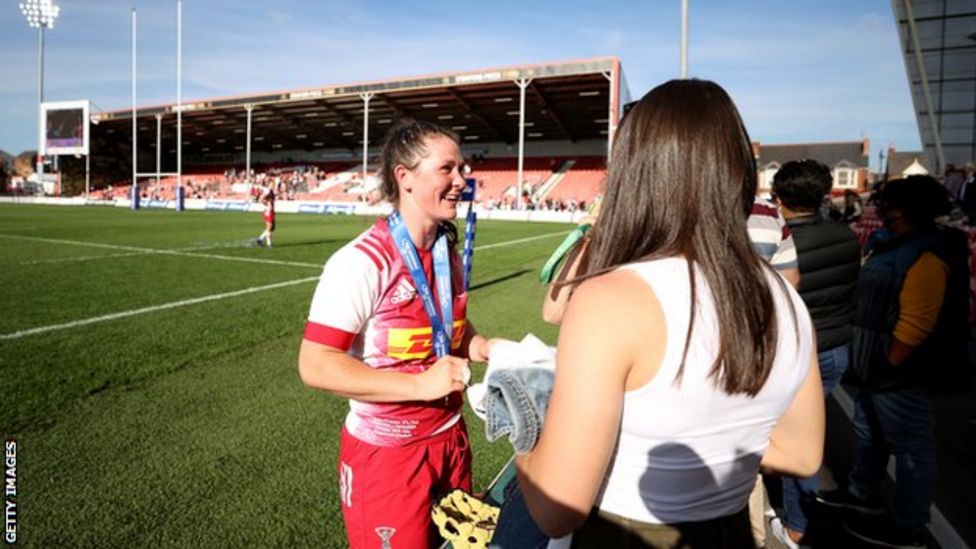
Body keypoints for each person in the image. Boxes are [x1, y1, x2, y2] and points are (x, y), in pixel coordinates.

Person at [494, 79, 825, 547]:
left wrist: (521, 419)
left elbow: (556, 509)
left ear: (634, 170)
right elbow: (802, 454)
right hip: (728, 531)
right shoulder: (784, 296)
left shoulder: (611, 299)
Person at [298, 119, 500, 548]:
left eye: (462, 169)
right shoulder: (362, 262)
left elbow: (447, 328)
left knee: (460, 546)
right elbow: (315, 365)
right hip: (390, 459)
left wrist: (481, 345)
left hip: (450, 442)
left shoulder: (447, 251)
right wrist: (418, 385)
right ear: (404, 178)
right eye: (447, 169)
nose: (461, 180)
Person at [818, 175, 970, 549]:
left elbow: (917, 321)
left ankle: (907, 524)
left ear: (901, 209)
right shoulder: (896, 244)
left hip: (896, 371)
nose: (878, 208)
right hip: (876, 368)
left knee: (910, 447)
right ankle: (862, 495)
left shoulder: (927, 253)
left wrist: (889, 364)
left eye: (886, 203)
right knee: (871, 433)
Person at [766, 160, 861, 548]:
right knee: (808, 433)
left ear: (780, 197)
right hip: (835, 348)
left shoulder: (780, 241)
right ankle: (802, 511)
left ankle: (796, 526)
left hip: (795, 354)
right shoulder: (846, 235)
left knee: (791, 440)